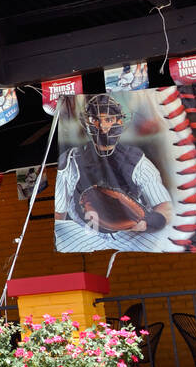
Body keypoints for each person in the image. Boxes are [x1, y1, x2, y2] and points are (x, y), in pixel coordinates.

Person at [55, 94, 174, 252]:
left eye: (109, 120)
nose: (103, 127)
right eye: (95, 120)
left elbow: (164, 207)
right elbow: (59, 213)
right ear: (86, 123)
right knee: (58, 231)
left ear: (120, 122)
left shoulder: (137, 161)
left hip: (128, 234)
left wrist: (145, 223)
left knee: (168, 235)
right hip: (86, 231)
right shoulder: (71, 160)